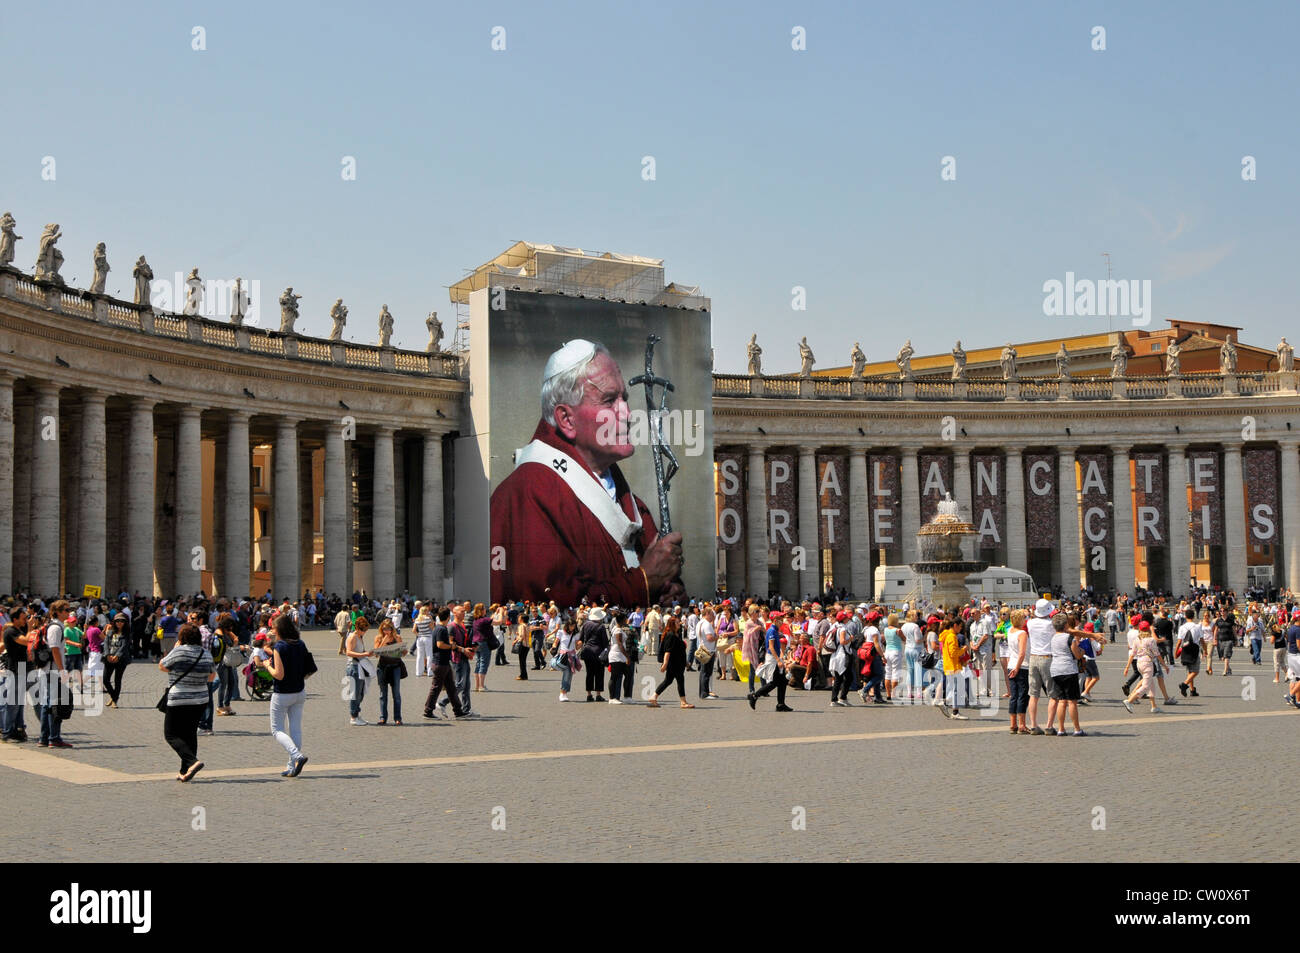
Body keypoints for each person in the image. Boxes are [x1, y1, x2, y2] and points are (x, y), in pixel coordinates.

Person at [488, 340, 684, 606]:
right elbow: (551, 606)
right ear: (567, 419)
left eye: (624, 398)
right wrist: (645, 581)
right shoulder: (526, 495)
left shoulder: (634, 505)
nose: (627, 413)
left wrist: (668, 590)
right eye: (609, 400)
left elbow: (659, 581)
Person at [158, 623, 215, 781]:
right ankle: (185, 770)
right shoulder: (206, 653)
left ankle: (192, 761)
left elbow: (162, 666)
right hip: (201, 698)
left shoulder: (179, 651)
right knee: (190, 733)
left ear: (181, 637)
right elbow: (211, 677)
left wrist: (175, 652)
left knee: (171, 734)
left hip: (180, 698)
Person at [261, 612, 311, 777]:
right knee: (295, 728)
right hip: (299, 692)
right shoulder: (300, 643)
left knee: (277, 730)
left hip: (282, 693)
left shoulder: (280, 647)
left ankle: (297, 756)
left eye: (273, 628)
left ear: (279, 629)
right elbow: (308, 669)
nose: (272, 631)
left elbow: (279, 674)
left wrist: (267, 665)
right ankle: (291, 766)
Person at [423, 607, 472, 719]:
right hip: (440, 663)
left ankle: (458, 711)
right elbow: (440, 644)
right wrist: (452, 646)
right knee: (436, 688)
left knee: (451, 688)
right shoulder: (441, 629)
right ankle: (428, 711)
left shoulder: (439, 628)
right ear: (449, 617)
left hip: (444, 663)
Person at [1046, 614, 1086, 736]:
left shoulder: (1052, 638)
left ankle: (1061, 729)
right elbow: (1077, 655)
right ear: (1066, 625)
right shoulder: (1070, 638)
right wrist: (1082, 651)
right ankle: (1077, 729)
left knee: (1061, 701)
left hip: (1055, 669)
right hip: (1068, 669)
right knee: (1072, 701)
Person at [648, 615, 693, 709]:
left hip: (678, 662)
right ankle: (683, 702)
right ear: (672, 624)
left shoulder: (676, 634)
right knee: (680, 680)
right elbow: (667, 651)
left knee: (668, 681)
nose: (679, 624)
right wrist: (664, 664)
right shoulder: (671, 635)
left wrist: (685, 662)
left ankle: (654, 697)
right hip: (674, 663)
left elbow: (680, 650)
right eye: (677, 623)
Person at [749, 617, 793, 712]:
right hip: (773, 659)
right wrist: (778, 660)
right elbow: (771, 647)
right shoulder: (772, 631)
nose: (782, 622)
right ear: (775, 620)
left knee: (782, 682)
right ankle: (755, 695)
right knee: (774, 682)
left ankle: (781, 704)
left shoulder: (775, 630)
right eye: (780, 620)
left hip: (775, 658)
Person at [374, 618, 405, 726]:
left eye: (388, 629)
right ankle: (383, 717)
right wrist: (384, 640)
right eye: (384, 629)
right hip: (382, 667)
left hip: (395, 667)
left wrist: (402, 650)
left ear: (392, 629)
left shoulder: (397, 637)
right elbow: (376, 653)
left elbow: (403, 653)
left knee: (396, 694)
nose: (386, 631)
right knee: (383, 694)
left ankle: (397, 718)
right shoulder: (378, 638)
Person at [345, 616, 375, 726]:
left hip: (360, 666)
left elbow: (360, 651)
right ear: (357, 628)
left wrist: (368, 653)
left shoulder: (359, 636)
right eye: (363, 630)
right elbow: (348, 652)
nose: (364, 632)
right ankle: (353, 717)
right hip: (353, 667)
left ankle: (357, 714)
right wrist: (364, 654)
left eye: (365, 630)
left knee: (361, 693)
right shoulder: (352, 637)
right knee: (355, 693)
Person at [1005, 609, 1030, 735]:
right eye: (1024, 618)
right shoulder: (1022, 633)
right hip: (1022, 667)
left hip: (1011, 665)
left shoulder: (1009, 631)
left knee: (1014, 696)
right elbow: (1022, 653)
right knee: (1022, 695)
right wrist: (1018, 667)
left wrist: (1013, 667)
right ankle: (1022, 724)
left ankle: (1012, 724)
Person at [579, 606, 610, 702]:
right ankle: (598, 694)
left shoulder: (585, 624)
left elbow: (581, 638)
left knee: (589, 673)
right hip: (598, 652)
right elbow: (605, 642)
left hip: (587, 651)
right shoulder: (601, 627)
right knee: (599, 673)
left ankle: (589, 694)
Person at [608, 612, 631, 704]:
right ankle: (612, 698)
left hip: (619, 655)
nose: (626, 620)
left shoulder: (617, 628)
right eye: (625, 619)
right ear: (621, 620)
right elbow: (620, 644)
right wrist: (627, 657)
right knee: (614, 676)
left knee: (628, 675)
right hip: (616, 655)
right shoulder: (617, 630)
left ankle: (626, 696)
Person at [696, 607, 718, 699]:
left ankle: (703, 692)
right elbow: (709, 638)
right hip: (708, 650)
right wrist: (717, 637)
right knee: (706, 673)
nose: (714, 617)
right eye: (713, 615)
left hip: (702, 649)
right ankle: (704, 694)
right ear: (708, 613)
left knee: (703, 672)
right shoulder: (707, 624)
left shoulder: (700, 623)